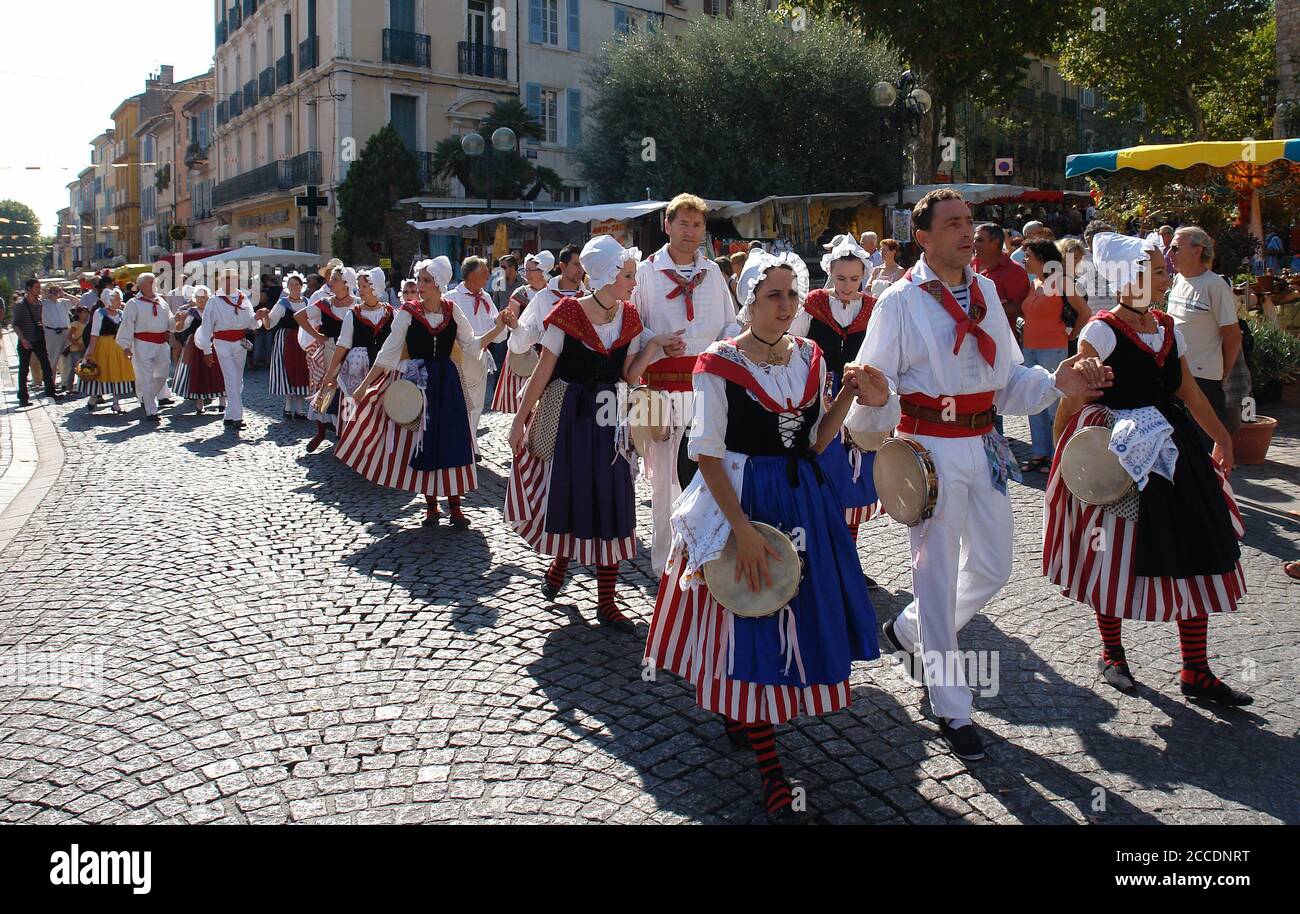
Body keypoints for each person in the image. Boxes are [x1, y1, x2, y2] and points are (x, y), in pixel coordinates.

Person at [844, 189, 1111, 761]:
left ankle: (911, 629)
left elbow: (1009, 381)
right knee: (936, 577)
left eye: (970, 222)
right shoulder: (898, 301)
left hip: (985, 443)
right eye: (954, 224)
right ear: (923, 237)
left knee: (993, 565)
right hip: (929, 449)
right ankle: (951, 704)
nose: (968, 232)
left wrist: (1056, 385)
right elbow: (876, 385)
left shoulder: (987, 289)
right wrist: (871, 396)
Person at [645, 250, 881, 819]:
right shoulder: (718, 363)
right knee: (749, 611)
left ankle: (751, 708)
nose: (784, 305)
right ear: (748, 299)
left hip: (804, 499)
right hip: (744, 497)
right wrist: (742, 530)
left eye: (792, 295)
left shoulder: (812, 355)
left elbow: (816, 440)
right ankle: (769, 761)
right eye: (772, 295)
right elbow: (704, 452)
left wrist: (849, 394)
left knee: (793, 607)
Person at [1045, 233, 1250, 706]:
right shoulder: (1099, 331)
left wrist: (1221, 437)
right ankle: (1112, 654)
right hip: (1119, 453)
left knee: (1196, 544)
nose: (1167, 276)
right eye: (1158, 270)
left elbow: (1189, 392)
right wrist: (1066, 454)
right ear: (1128, 278)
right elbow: (1074, 395)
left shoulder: (1167, 324)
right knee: (1113, 553)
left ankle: (1195, 669)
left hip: (1174, 452)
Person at [505, 235, 680, 631]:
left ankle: (606, 601)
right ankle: (560, 564)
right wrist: (520, 419)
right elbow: (543, 370)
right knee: (574, 494)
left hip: (613, 420)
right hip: (572, 419)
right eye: (629, 275)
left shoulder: (630, 318)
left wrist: (654, 349)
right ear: (606, 276)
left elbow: (629, 376)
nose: (634, 283)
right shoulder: (568, 314)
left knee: (615, 497)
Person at [334, 257, 498, 527]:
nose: (419, 285)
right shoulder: (408, 312)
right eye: (419, 280)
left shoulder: (452, 310)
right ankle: (432, 505)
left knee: (454, 439)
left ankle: (455, 505)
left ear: (438, 284)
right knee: (424, 441)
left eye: (424, 281)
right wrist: (364, 386)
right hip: (419, 382)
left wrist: (500, 327)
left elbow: (472, 346)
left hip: (447, 382)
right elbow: (388, 352)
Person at [631, 193, 740, 574]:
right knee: (664, 483)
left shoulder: (712, 273)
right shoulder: (646, 273)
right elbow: (632, 325)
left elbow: (732, 322)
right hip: (659, 388)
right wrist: (655, 341)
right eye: (683, 224)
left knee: (708, 476)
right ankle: (666, 567)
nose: (690, 232)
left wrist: (720, 344)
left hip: (707, 390)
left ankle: (704, 561)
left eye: (697, 225)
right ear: (667, 226)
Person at [790, 235, 880, 547]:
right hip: (818, 401)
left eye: (855, 279)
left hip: (858, 401)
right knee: (821, 473)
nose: (847, 285)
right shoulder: (813, 304)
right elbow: (792, 347)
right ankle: (820, 549)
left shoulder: (872, 308)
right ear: (830, 272)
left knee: (853, 479)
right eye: (841, 278)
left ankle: (849, 551)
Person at [1166, 226, 1243, 446]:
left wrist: (1223, 372)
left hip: (1203, 380)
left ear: (1197, 250)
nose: (1170, 254)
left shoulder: (1215, 285)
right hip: (1177, 375)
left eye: (1175, 248)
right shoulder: (1179, 280)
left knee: (1203, 449)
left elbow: (1232, 336)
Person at [1018, 240, 1090, 471]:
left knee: (1053, 404)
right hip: (1029, 348)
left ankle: (1058, 454)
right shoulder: (1035, 282)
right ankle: (1040, 452)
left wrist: (1071, 337)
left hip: (1052, 348)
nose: (1024, 260)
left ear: (1041, 258)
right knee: (1034, 401)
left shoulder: (1062, 282)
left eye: (1028, 256)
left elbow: (1085, 312)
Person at [319, 267, 396, 421]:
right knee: (352, 414)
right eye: (359, 286)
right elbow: (342, 345)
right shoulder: (353, 314)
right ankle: (347, 439)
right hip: (355, 369)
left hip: (382, 368)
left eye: (364, 286)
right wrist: (330, 373)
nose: (360, 290)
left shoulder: (390, 313)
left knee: (379, 413)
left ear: (375, 288)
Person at [444, 257, 503, 457]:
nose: (488, 275)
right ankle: (459, 442)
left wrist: (500, 320)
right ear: (471, 275)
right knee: (458, 402)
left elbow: (498, 333)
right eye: (484, 272)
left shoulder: (486, 297)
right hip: (458, 360)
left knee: (477, 405)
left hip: (481, 358)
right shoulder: (452, 297)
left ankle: (471, 445)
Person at [297, 265, 358, 451]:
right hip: (330, 350)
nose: (331, 282)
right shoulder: (325, 303)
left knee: (349, 392)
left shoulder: (357, 304)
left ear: (346, 283)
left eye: (335, 279)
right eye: (331, 279)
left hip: (351, 353)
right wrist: (318, 336)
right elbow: (299, 316)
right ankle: (321, 431)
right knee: (326, 390)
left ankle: (348, 433)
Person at [196, 269, 261, 429]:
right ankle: (238, 417)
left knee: (237, 380)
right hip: (222, 342)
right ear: (220, 282)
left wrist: (258, 317)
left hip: (239, 343)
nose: (229, 282)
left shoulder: (243, 298)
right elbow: (206, 326)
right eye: (226, 279)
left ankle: (229, 414)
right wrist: (206, 350)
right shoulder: (214, 301)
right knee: (231, 377)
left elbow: (250, 323)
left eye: (232, 279)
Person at [491, 251, 552, 413]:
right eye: (525, 270)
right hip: (525, 351)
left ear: (543, 271)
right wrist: (512, 323)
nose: (527, 274)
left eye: (531, 270)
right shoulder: (520, 293)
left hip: (549, 349)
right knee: (526, 402)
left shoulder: (552, 292)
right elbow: (512, 323)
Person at [117, 272, 174, 423]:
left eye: (154, 282)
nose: (154, 284)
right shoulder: (133, 304)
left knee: (162, 375)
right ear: (141, 285)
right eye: (150, 282)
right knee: (146, 377)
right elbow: (127, 324)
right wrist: (125, 345)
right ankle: (151, 411)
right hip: (143, 344)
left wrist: (179, 320)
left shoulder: (162, 302)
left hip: (161, 344)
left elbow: (171, 323)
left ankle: (146, 397)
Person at [259, 271, 312, 418]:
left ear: (302, 286)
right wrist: (264, 317)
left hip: (303, 340)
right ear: (287, 287)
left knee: (303, 371)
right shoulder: (282, 304)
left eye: (297, 284)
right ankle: (288, 406)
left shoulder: (308, 303)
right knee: (287, 370)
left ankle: (300, 409)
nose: (294, 287)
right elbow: (270, 324)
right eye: (291, 285)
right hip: (286, 340)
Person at [171, 286, 225, 414]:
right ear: (195, 298)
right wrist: (180, 320)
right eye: (198, 297)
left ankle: (222, 401)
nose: (201, 300)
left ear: (208, 298)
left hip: (214, 343)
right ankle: (199, 402)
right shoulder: (191, 312)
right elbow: (179, 329)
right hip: (196, 345)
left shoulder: (214, 310)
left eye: (204, 298)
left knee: (219, 370)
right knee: (198, 371)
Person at [81, 287, 134, 413]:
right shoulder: (100, 313)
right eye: (116, 298)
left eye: (119, 298)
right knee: (101, 372)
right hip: (104, 347)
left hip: (119, 347)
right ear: (108, 300)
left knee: (118, 373)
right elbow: (94, 334)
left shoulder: (121, 314)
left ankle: (116, 403)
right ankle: (93, 398)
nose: (119, 300)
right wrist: (90, 351)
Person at [12, 279, 62, 407]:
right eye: (36, 288)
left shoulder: (39, 304)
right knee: (24, 369)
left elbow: (39, 320)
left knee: (46, 366)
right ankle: (23, 397)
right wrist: (23, 339)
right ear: (28, 289)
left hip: (38, 340)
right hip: (25, 341)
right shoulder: (20, 305)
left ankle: (51, 393)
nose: (39, 290)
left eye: (39, 288)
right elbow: (16, 324)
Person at [974, 223, 1031, 328]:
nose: (974, 244)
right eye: (974, 240)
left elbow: (1021, 308)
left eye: (980, 240)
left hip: (1001, 338)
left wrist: (984, 309)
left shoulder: (1014, 271)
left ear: (995, 243)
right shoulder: (970, 264)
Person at [41, 282, 73, 392]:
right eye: (52, 291)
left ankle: (66, 383)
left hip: (66, 331)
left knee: (67, 359)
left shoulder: (63, 302)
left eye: (56, 291)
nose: (55, 293)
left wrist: (64, 293)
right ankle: (51, 385)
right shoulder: (44, 303)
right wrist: (46, 293)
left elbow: (78, 302)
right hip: (52, 333)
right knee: (53, 360)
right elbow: (38, 301)